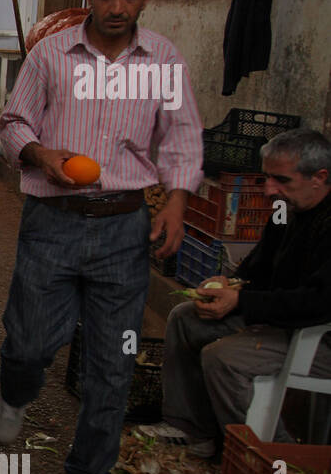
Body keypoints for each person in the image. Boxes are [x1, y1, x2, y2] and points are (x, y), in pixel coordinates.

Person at [0, 0, 203, 474]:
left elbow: (182, 136)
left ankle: (90, 472)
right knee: (31, 339)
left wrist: (177, 203)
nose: (116, 7)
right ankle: (14, 392)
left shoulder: (163, 60)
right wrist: (39, 152)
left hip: (125, 224)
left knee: (115, 359)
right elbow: (12, 124)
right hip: (53, 220)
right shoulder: (51, 54)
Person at [139, 129, 331, 455]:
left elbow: (317, 302)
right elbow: (258, 266)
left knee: (224, 358)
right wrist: (231, 284)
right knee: (187, 318)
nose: (270, 190)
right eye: (267, 178)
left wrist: (242, 300)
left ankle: (272, 458)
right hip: (282, 319)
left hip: (317, 337)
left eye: (282, 180)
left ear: (319, 178)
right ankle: (191, 429)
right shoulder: (288, 211)